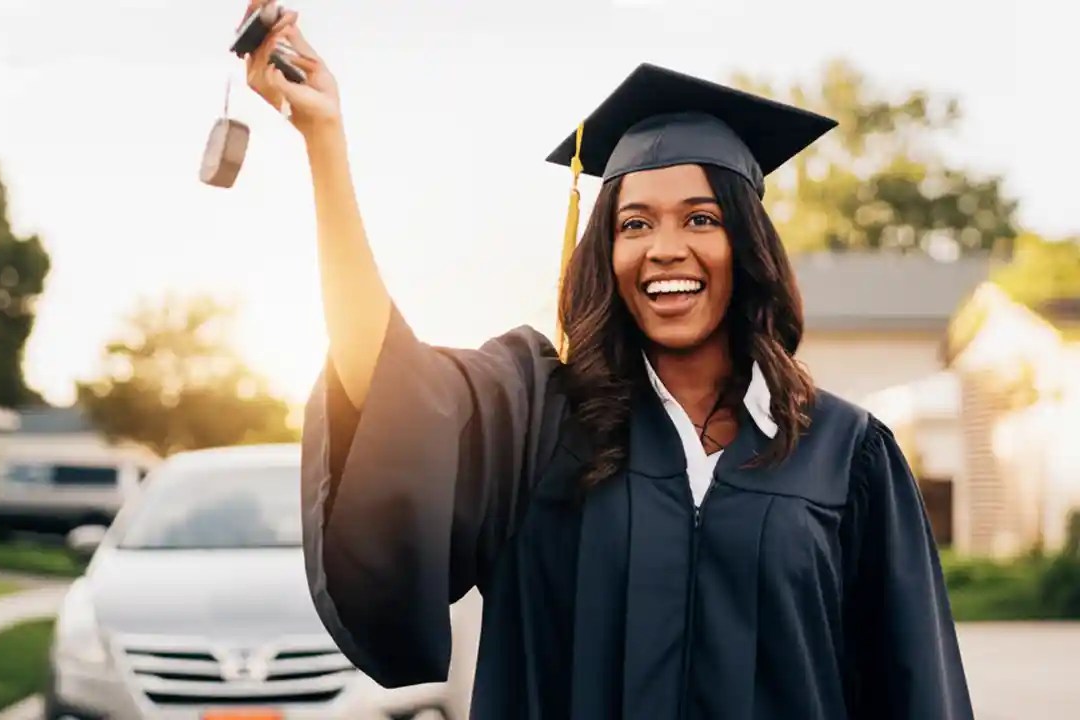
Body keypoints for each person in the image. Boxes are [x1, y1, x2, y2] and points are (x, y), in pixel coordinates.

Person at [239, 6, 974, 719]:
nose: (664, 248)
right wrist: (324, 141)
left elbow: (913, 688)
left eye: (701, 218)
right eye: (634, 223)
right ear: (607, 253)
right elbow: (389, 381)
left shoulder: (847, 456)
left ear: (746, 247)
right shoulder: (538, 424)